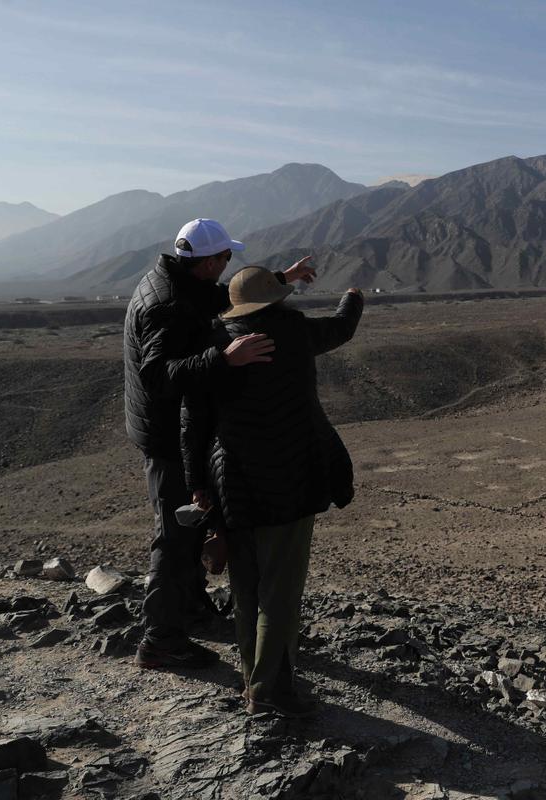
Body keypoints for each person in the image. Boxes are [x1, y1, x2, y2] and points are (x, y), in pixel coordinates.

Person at [123, 218, 315, 669]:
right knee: (173, 536)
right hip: (168, 435)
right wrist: (222, 358)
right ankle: (160, 640)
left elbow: (217, 298)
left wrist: (281, 279)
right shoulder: (166, 304)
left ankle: (187, 608)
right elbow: (156, 375)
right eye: (227, 258)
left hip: (172, 430)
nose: (229, 265)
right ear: (209, 261)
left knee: (190, 526)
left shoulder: (176, 282)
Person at [180, 266, 363, 716]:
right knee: (279, 591)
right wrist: (353, 297)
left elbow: (193, 419)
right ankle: (271, 693)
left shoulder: (215, 343)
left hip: (231, 482)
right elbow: (340, 328)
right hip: (290, 479)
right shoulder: (293, 331)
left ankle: (252, 681)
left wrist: (198, 483)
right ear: (277, 300)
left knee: (246, 589)